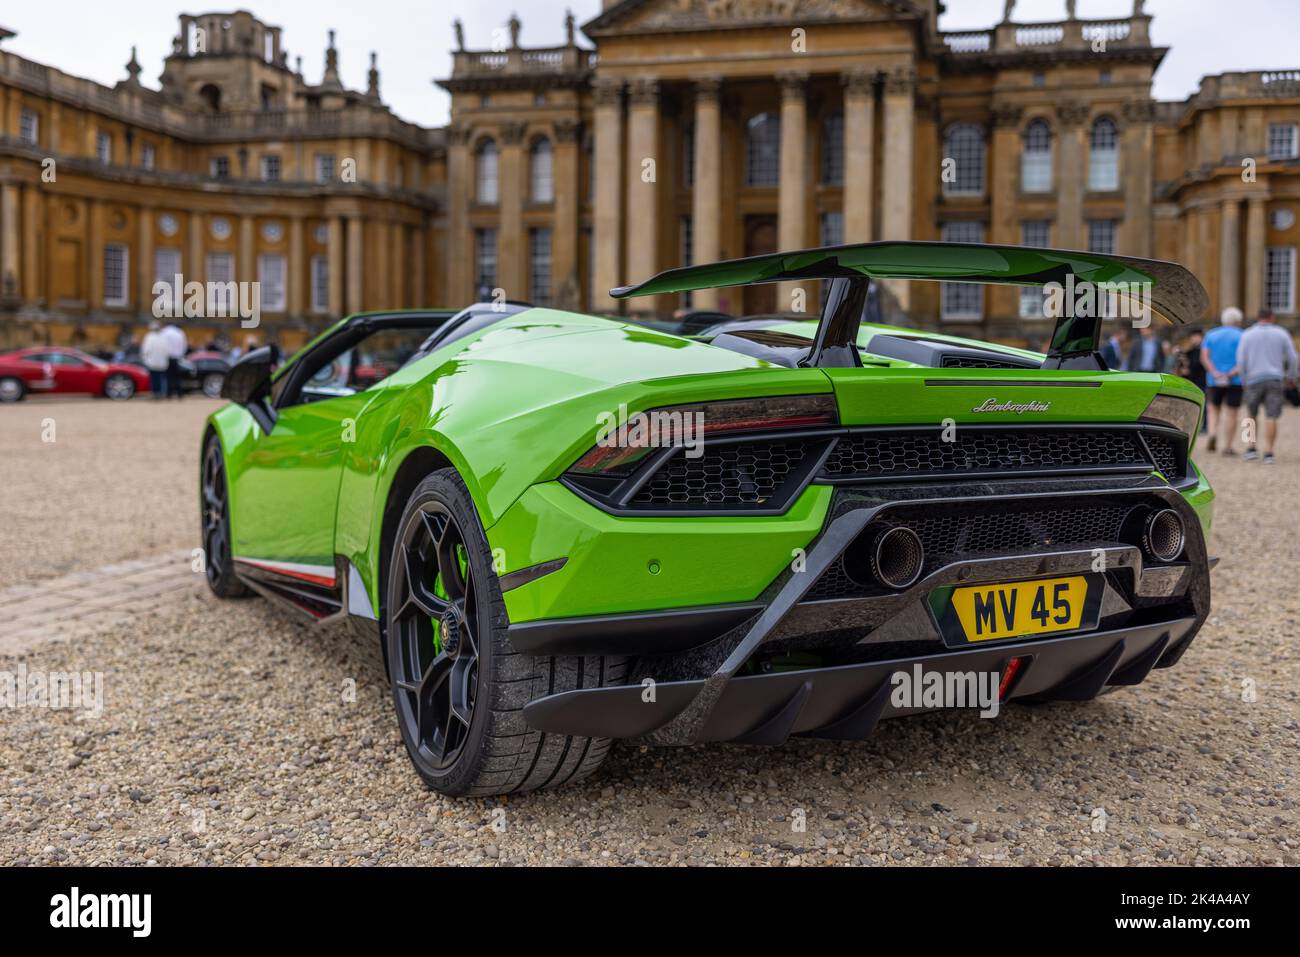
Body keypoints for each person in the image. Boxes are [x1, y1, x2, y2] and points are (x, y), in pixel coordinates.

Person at [1238, 309, 1299, 464]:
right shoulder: (1281, 333)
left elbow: (1240, 360)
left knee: (1250, 415)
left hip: (1252, 379)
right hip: (1275, 379)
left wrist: (1243, 379)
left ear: (1258, 318)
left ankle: (1251, 448)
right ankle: (1269, 452)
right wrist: (1291, 377)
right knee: (1271, 416)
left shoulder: (1247, 334)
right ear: (1272, 318)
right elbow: (1293, 357)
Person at [1201, 306, 1245, 453]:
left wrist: (1215, 372)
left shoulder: (1211, 335)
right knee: (1232, 412)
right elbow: (1244, 359)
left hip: (1214, 380)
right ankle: (1228, 446)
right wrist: (1232, 373)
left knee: (1213, 409)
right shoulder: (1242, 335)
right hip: (1235, 379)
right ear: (1238, 321)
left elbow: (1205, 357)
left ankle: (1213, 434)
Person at [141, 322, 170, 399]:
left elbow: (145, 350)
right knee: (162, 378)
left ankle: (155, 394)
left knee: (154, 379)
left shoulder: (149, 336)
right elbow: (167, 351)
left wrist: (145, 359)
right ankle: (162, 393)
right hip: (162, 363)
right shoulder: (164, 337)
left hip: (152, 362)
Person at [161, 322, 188, 399]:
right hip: (177, 357)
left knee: (168, 377)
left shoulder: (164, 332)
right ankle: (180, 394)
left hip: (167, 357)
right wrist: (181, 355)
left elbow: (162, 345)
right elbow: (184, 345)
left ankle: (169, 394)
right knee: (177, 377)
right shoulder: (180, 332)